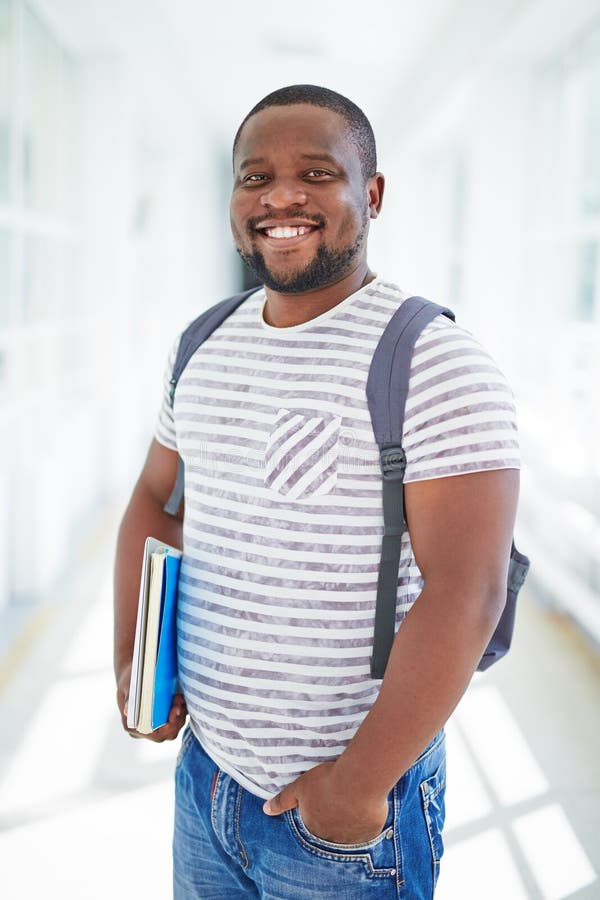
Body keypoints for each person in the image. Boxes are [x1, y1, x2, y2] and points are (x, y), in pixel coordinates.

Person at [114, 84, 521, 899]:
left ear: (370, 195)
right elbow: (158, 501)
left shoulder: (433, 360)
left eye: (315, 173)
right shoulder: (201, 343)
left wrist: (359, 785)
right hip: (209, 777)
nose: (280, 197)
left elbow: (468, 591)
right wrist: (135, 663)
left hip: (345, 814)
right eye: (254, 176)